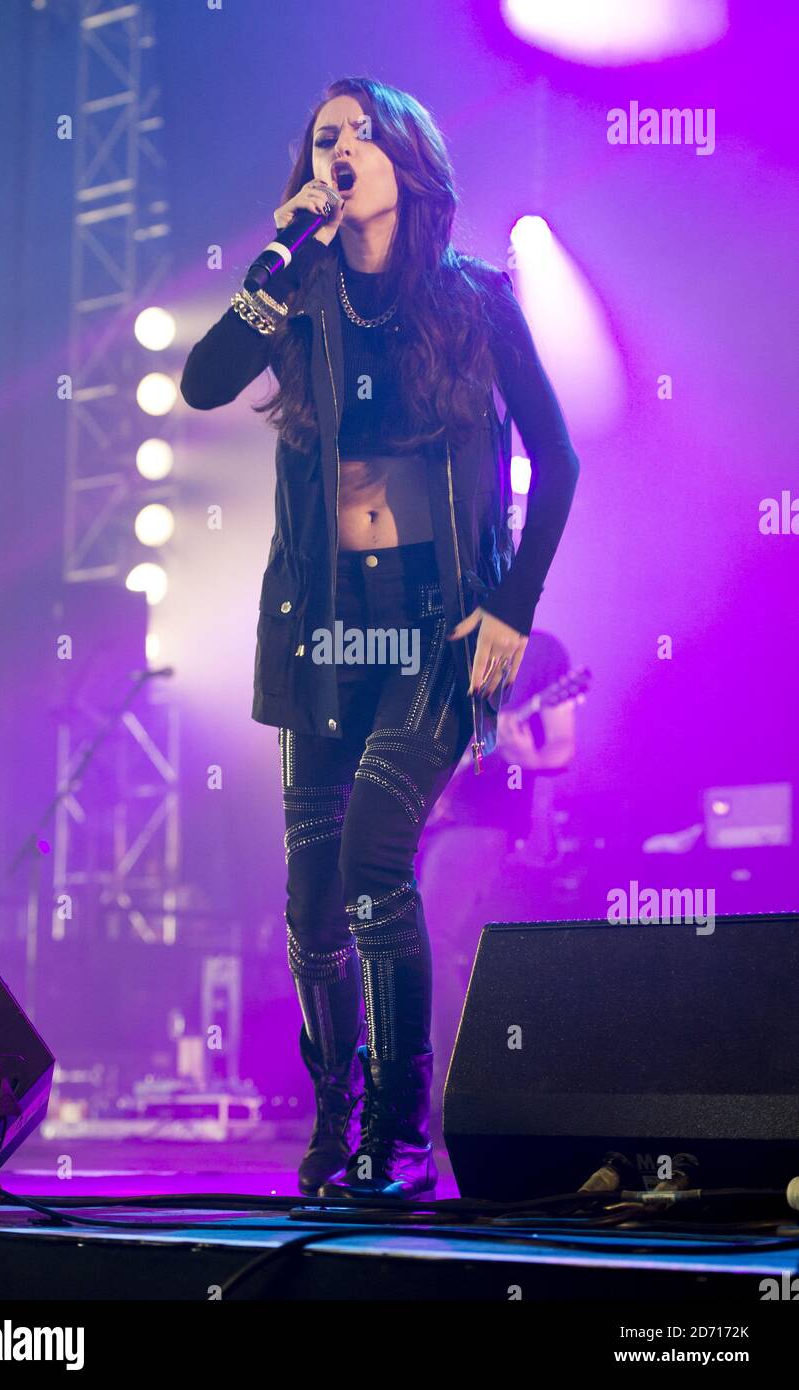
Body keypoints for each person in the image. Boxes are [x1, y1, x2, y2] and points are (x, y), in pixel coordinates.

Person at [180, 77, 580, 1202]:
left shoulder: (474, 298)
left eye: (361, 131)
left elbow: (556, 459)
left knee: (370, 862)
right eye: (323, 136)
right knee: (311, 905)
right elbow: (201, 380)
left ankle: (401, 1136)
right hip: (318, 636)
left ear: (406, 158)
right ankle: (337, 1119)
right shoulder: (301, 296)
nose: (341, 146)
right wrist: (274, 265)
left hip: (432, 635)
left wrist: (511, 602)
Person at [417, 630, 577, 1082]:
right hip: (426, 823)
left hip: (484, 822)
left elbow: (562, 747)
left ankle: (449, 1087)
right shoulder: (441, 640)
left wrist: (525, 756)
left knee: (434, 941)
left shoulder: (541, 650)